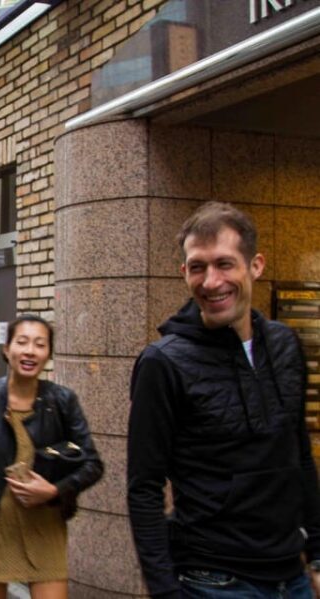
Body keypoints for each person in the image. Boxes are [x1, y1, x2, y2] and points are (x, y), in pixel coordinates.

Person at [127, 201, 320, 598]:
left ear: (256, 266)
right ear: (184, 273)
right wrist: (165, 591)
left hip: (292, 578)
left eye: (224, 264)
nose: (211, 281)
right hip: (211, 582)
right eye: (198, 267)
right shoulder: (162, 363)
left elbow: (297, 453)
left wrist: (317, 553)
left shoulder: (285, 346)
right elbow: (144, 487)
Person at [0, 315, 103, 599]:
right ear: (7, 349)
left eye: (40, 344)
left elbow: (93, 464)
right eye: (22, 342)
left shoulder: (62, 401)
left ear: (48, 353)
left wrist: (54, 490)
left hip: (44, 526)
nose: (30, 351)